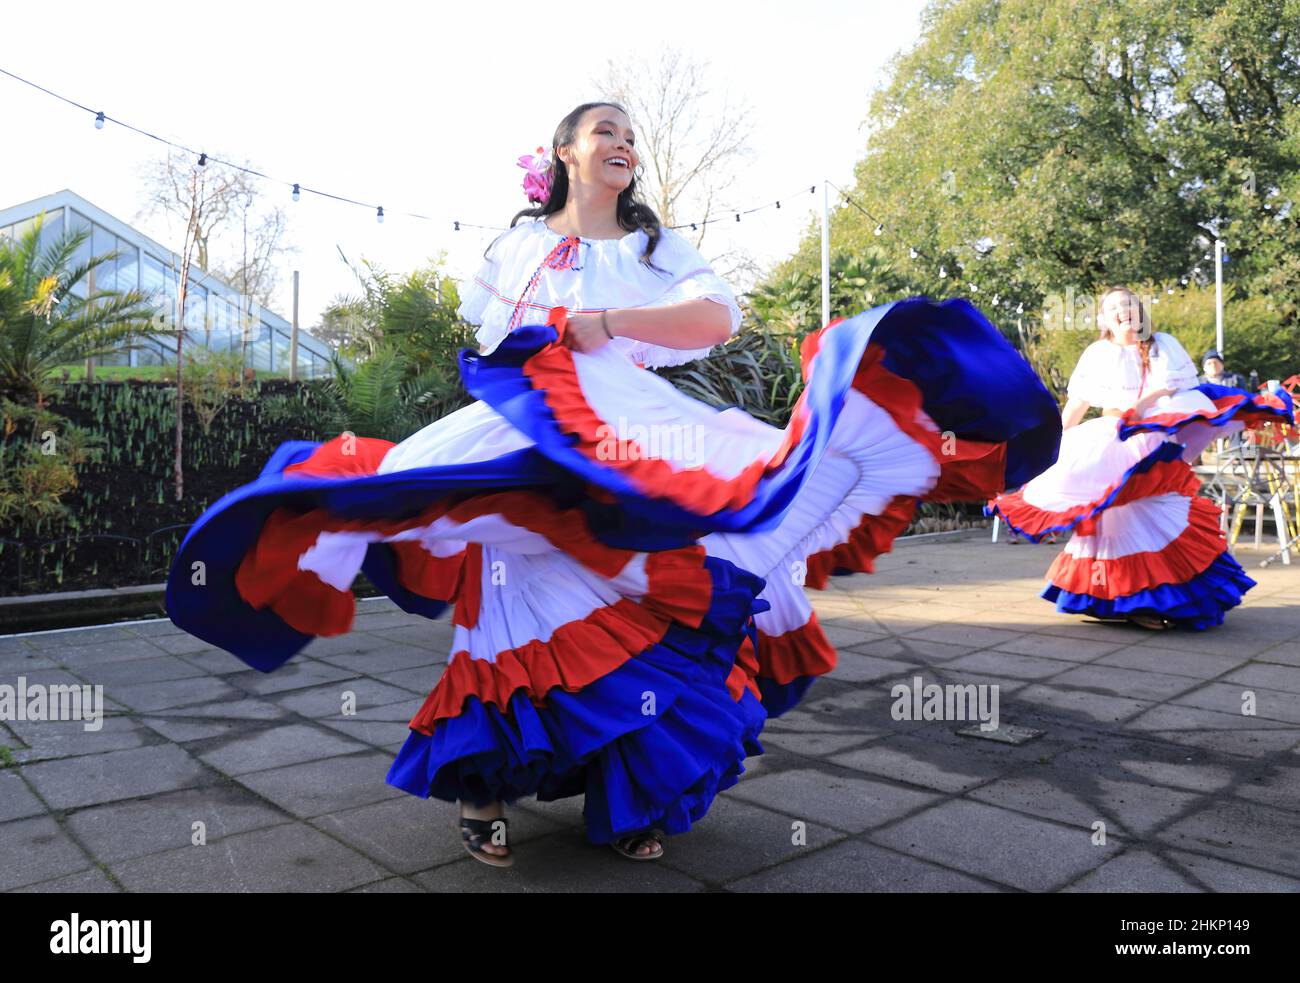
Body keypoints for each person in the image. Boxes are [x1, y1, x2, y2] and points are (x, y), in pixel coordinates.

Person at [165, 101, 1062, 868]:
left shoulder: (655, 244)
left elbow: (718, 316)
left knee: (659, 597)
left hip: (635, 427)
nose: (624, 142)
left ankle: (633, 791)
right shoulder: (514, 247)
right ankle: (482, 792)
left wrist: (607, 321)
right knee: (511, 601)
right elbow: (488, 344)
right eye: (605, 129)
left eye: (630, 133)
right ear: (565, 152)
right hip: (530, 426)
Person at [987, 286, 1294, 631]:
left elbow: (1177, 393)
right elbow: (1076, 406)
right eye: (1115, 307)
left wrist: (1145, 412)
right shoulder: (1097, 353)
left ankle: (1156, 599)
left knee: (1157, 517)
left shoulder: (1163, 344)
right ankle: (1123, 602)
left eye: (1130, 304)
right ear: (1104, 318)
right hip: (1110, 441)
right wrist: (1049, 447)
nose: (1124, 311)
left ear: (1140, 311)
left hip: (1151, 443)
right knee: (1115, 521)